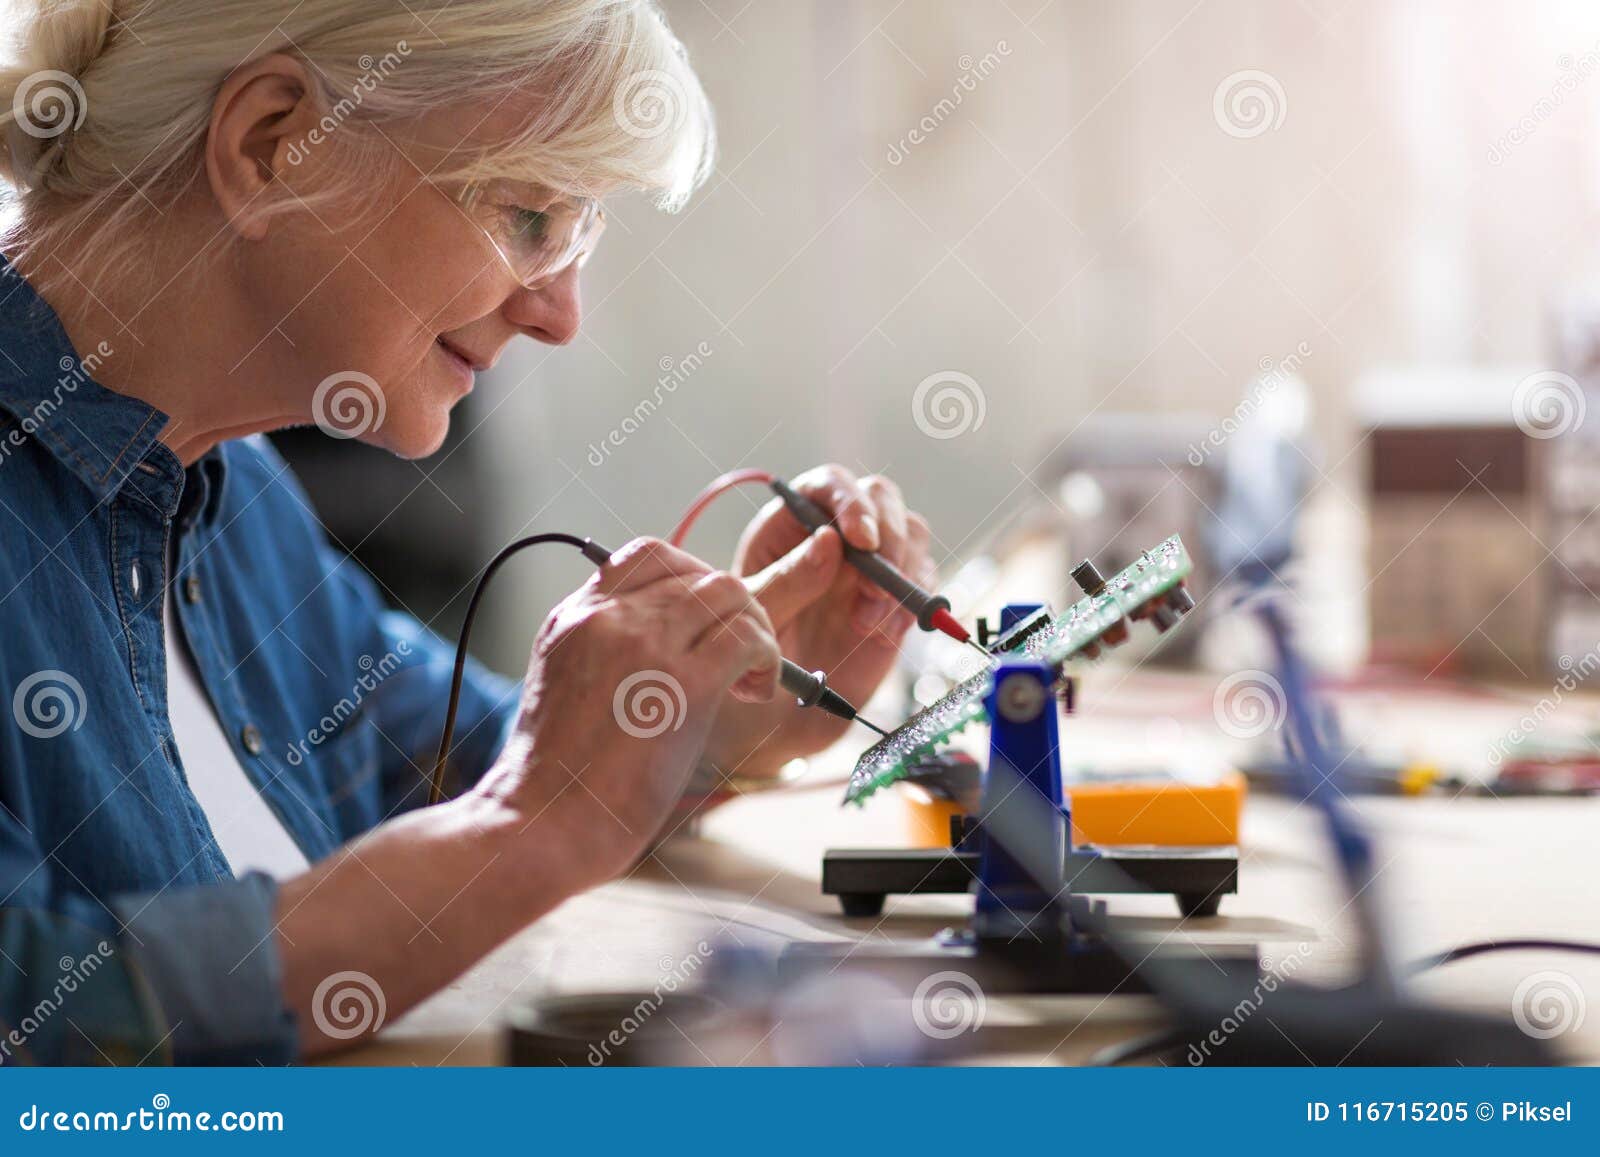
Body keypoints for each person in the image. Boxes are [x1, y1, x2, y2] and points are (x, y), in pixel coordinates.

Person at [0, 0, 934, 1064]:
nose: (559, 315)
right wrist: (526, 830)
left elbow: (448, 754)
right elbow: (38, 1009)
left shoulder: (226, 485)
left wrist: (722, 707)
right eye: (529, 215)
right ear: (269, 145)